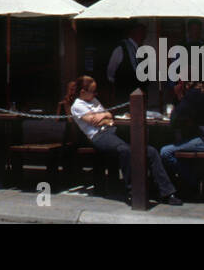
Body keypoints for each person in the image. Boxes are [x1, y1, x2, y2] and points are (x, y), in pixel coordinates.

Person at [69, 75, 182, 205]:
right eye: (93, 91)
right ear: (83, 92)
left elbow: (109, 115)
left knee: (149, 150)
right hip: (99, 136)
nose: (96, 94)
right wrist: (104, 117)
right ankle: (133, 192)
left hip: (111, 130)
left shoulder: (93, 100)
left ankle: (167, 192)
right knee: (125, 150)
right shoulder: (77, 106)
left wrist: (103, 116)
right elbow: (94, 122)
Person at [161, 79, 204, 194]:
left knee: (165, 152)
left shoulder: (193, 94)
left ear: (182, 83)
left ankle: (192, 181)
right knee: (181, 144)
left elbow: (174, 120)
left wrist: (179, 96)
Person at [106, 22, 147, 101]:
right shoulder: (121, 48)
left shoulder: (141, 50)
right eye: (142, 33)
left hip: (138, 94)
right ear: (134, 33)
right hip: (124, 93)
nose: (144, 36)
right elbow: (110, 72)